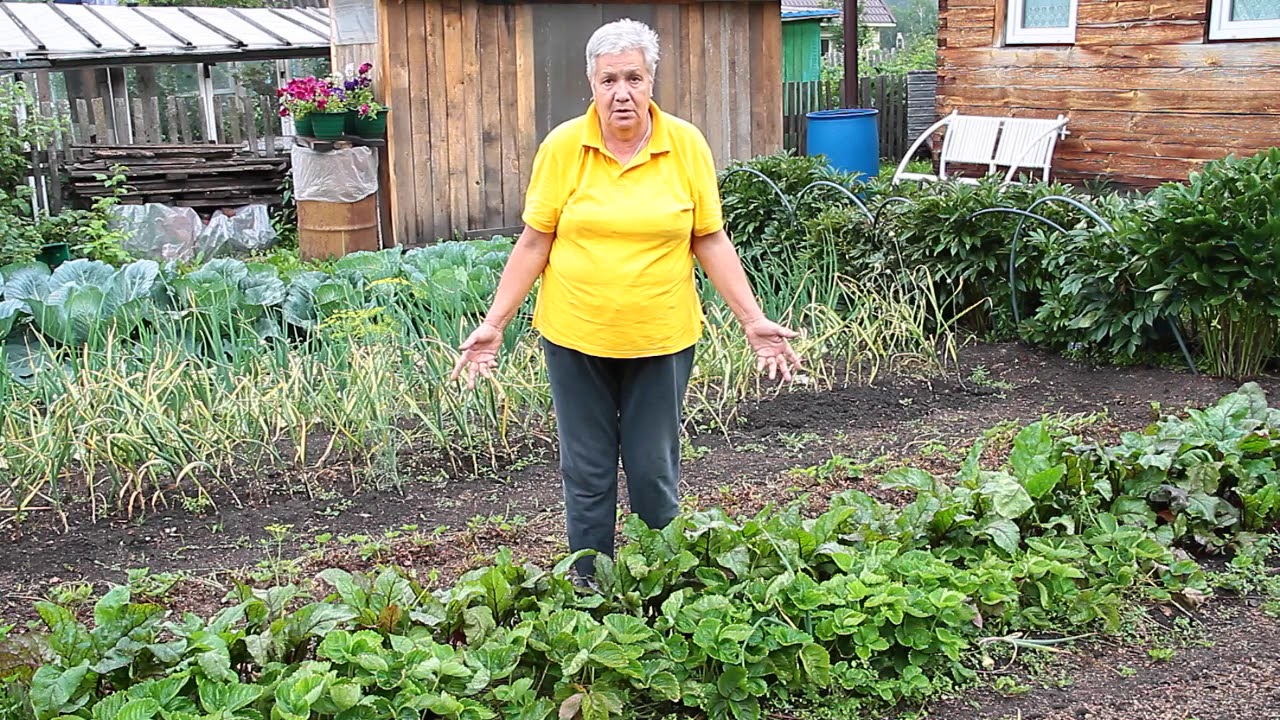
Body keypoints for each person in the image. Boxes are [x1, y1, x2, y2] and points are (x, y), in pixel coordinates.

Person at [451, 18, 801, 582]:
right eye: (609, 79)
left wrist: (753, 319)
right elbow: (536, 239)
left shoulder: (685, 144)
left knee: (653, 472)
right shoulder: (564, 147)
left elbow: (708, 238)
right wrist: (495, 324)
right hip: (575, 337)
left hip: (660, 339)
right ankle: (589, 590)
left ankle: (659, 588)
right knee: (586, 473)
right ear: (590, 82)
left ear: (652, 80)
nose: (622, 92)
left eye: (634, 78)